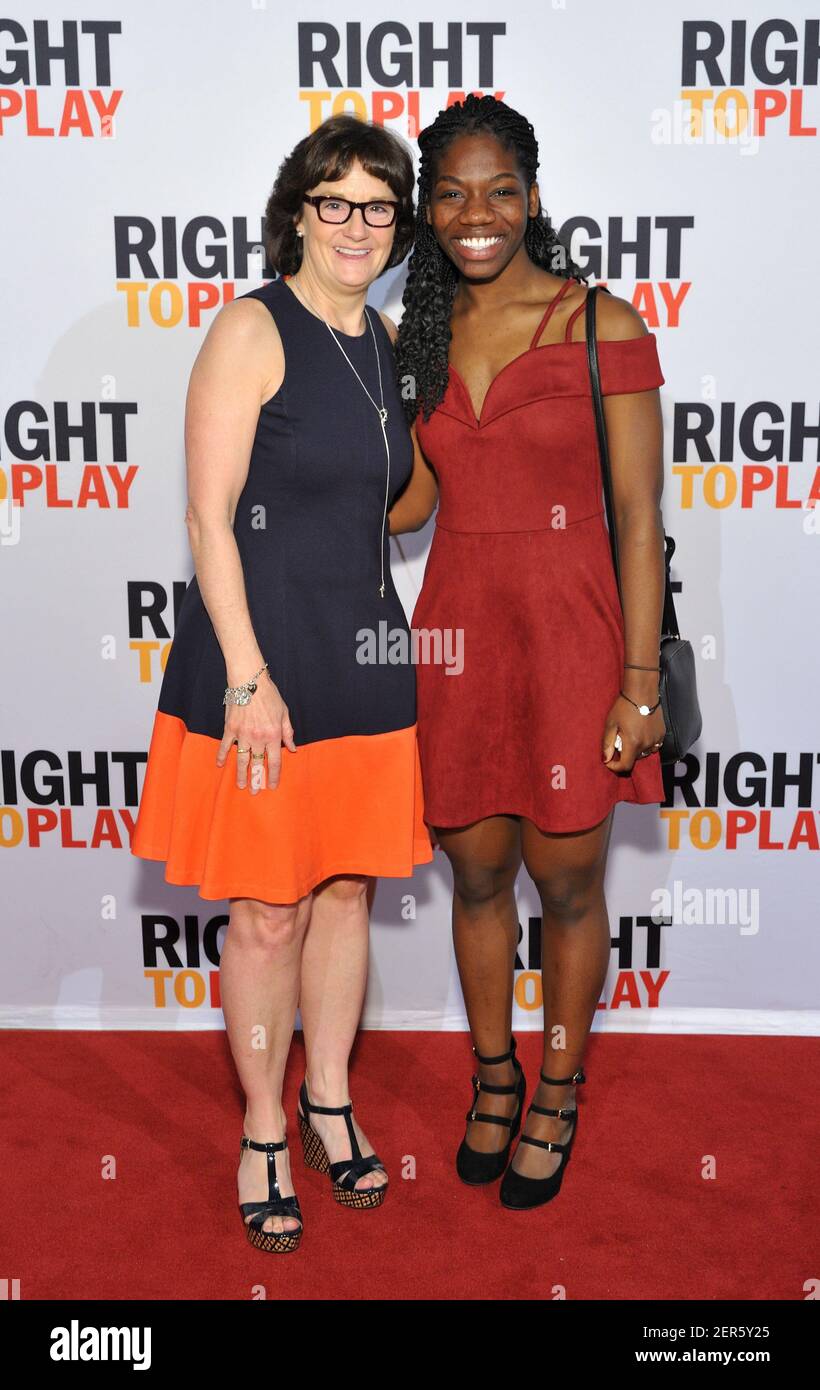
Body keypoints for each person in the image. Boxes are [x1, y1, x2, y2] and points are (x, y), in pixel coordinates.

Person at [130, 113, 432, 1251]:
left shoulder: (390, 343)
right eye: (335, 201)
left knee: (347, 890)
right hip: (260, 664)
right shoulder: (250, 329)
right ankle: (263, 1122)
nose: (357, 225)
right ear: (297, 212)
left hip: (365, 655)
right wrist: (247, 681)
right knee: (266, 911)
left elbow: (396, 497)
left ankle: (329, 1099)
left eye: (377, 206)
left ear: (396, 227)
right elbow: (208, 516)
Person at [390, 95, 667, 1211]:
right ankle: (492, 1076)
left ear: (534, 200)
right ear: (425, 207)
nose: (476, 213)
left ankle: (558, 1086)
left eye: (499, 190)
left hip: (572, 639)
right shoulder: (417, 334)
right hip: (457, 639)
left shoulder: (605, 327)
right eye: (450, 192)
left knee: (565, 881)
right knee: (478, 871)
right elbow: (408, 511)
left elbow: (641, 518)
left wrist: (637, 683)